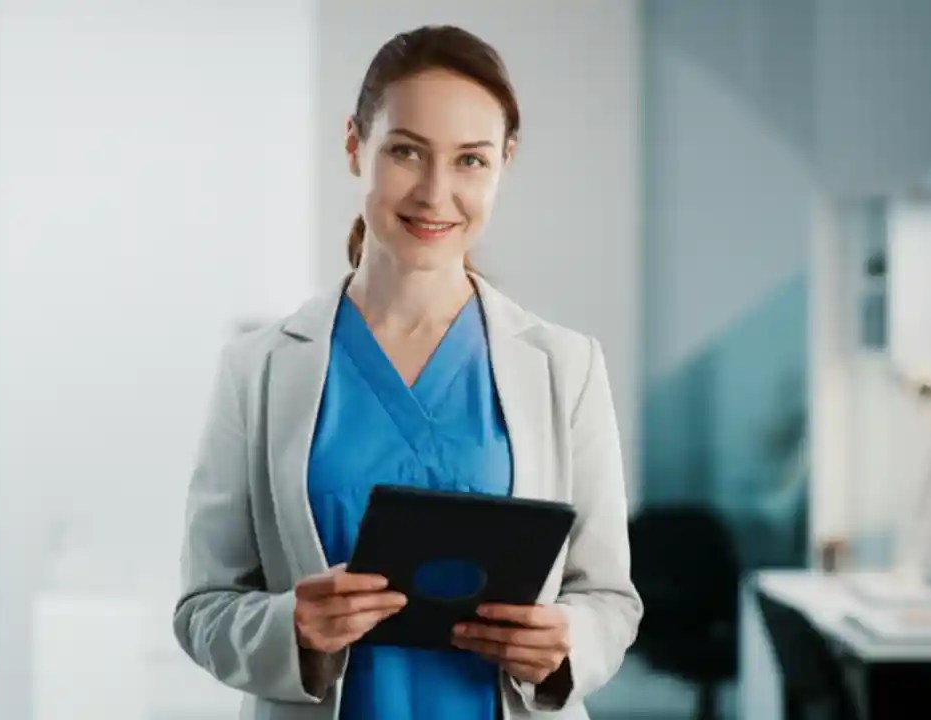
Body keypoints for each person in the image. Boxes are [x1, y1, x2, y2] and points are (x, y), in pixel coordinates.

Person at [174, 24, 642, 720]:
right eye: (405, 152)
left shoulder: (565, 367)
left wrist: (566, 643)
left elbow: (609, 597)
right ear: (355, 144)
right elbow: (203, 608)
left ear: (505, 163)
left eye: (471, 161)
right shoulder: (260, 369)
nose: (434, 192)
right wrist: (292, 631)